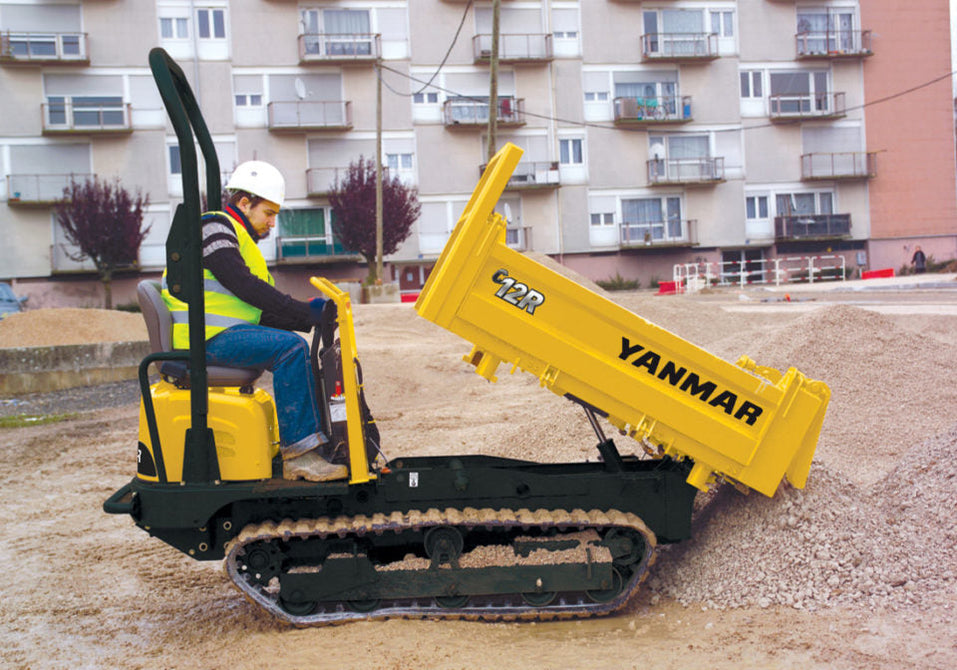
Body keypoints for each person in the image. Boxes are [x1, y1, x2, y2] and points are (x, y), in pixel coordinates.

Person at [162, 160, 347, 482]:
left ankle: (312, 443)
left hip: (222, 332)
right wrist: (303, 313)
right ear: (245, 203)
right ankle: (301, 455)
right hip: (206, 336)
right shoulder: (214, 227)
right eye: (269, 213)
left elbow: (255, 309)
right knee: (290, 350)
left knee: (295, 345)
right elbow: (242, 284)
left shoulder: (234, 237)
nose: (273, 223)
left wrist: (310, 316)